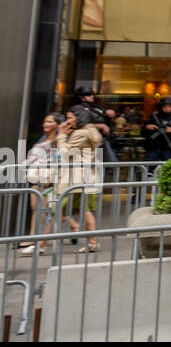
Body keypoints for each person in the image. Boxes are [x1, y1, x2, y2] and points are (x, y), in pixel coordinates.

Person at [56, 108, 103, 253]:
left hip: (77, 178)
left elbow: (63, 152)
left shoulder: (81, 133)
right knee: (85, 209)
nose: (67, 121)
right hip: (84, 176)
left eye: (70, 117)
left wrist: (61, 136)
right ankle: (92, 241)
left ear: (79, 117)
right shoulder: (89, 131)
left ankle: (41, 245)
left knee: (58, 209)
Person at [19, 114, 59, 255]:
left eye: (49, 121)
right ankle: (75, 227)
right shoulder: (44, 137)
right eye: (44, 120)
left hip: (45, 178)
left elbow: (55, 160)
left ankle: (34, 239)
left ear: (57, 124)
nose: (45, 123)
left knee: (40, 209)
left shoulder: (56, 141)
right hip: (35, 176)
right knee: (36, 207)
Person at [70, 87, 117, 163]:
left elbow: (104, 116)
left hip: (100, 140)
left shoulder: (96, 108)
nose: (92, 96)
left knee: (107, 164)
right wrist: (101, 126)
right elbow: (81, 124)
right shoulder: (77, 108)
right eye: (88, 95)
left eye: (92, 94)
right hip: (87, 141)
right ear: (82, 97)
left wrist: (109, 113)